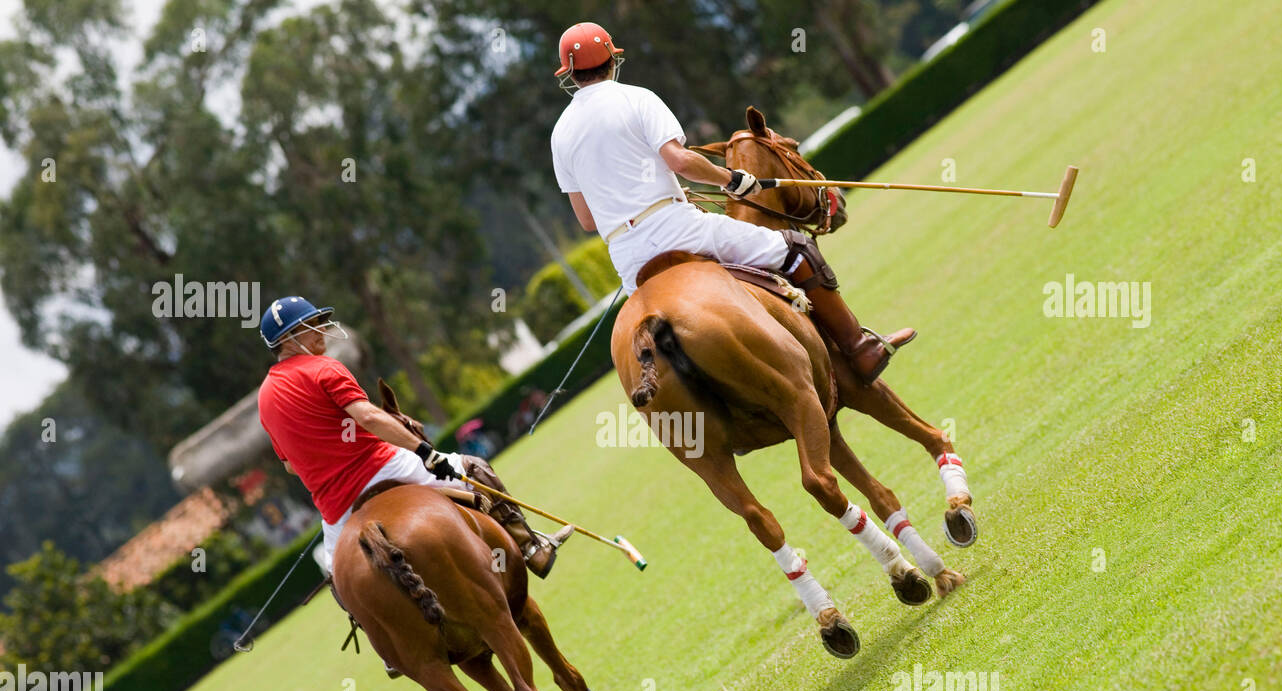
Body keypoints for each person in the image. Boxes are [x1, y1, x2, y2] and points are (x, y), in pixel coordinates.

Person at [549, 21, 915, 383]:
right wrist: (732, 179)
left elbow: (586, 220)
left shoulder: (560, 134)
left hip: (627, 258)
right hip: (678, 230)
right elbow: (679, 160)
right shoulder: (637, 97)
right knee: (798, 248)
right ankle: (859, 348)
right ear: (612, 60)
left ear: (570, 75)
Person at [256, 296, 571, 581]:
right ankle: (532, 549)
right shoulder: (322, 367)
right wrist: (426, 453)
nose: (322, 330)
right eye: (312, 326)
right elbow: (368, 417)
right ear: (289, 338)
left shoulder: (265, 398)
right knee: (473, 468)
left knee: (341, 580)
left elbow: (291, 468)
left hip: (336, 510)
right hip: (382, 468)